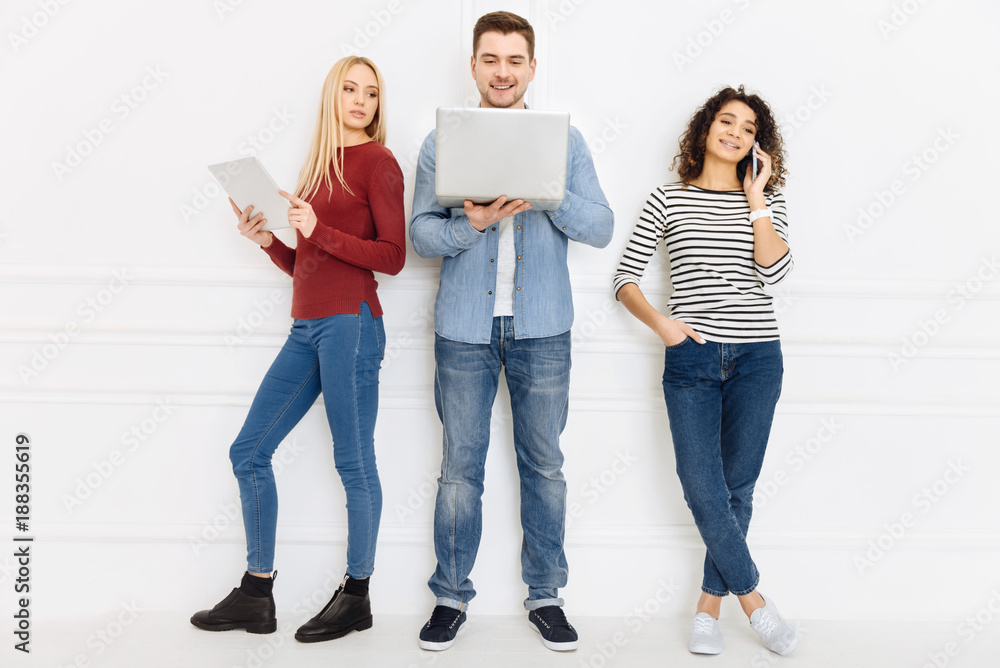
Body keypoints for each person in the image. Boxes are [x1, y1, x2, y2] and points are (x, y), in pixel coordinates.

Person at [409, 10, 614, 654]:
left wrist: (547, 193)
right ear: (473, 65)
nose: (503, 71)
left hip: (544, 330)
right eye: (490, 59)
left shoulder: (566, 143)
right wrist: (469, 223)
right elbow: (420, 235)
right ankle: (449, 596)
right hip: (464, 331)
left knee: (545, 466)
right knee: (460, 470)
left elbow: (602, 227)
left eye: (515, 60)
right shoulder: (441, 144)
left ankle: (546, 594)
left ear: (532, 67)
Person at [190, 56, 405, 643]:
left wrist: (316, 230)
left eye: (371, 93)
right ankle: (257, 593)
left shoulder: (378, 161)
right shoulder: (317, 171)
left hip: (352, 324)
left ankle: (356, 594)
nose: (361, 100)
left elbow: (393, 256)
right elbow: (309, 265)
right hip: (307, 325)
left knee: (353, 462)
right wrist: (269, 242)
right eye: (350, 89)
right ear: (332, 96)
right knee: (249, 451)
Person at [613, 85, 799, 656]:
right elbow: (625, 278)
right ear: (705, 129)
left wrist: (758, 197)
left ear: (757, 147)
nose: (736, 133)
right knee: (703, 488)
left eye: (748, 129)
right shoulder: (667, 198)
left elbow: (775, 270)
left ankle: (707, 609)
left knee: (736, 489)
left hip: (758, 357)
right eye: (727, 121)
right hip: (691, 358)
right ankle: (755, 602)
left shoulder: (766, 199)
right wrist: (664, 324)